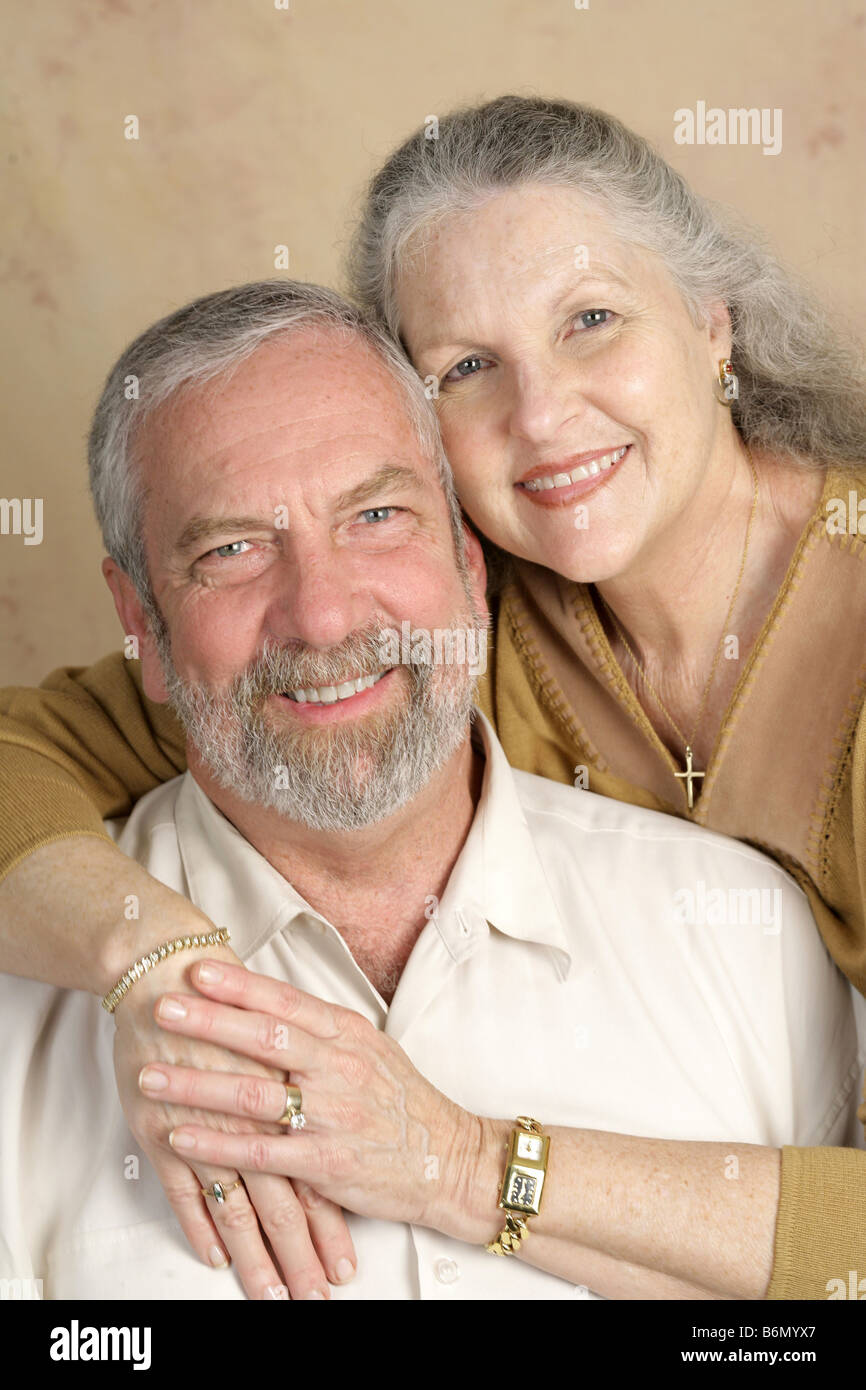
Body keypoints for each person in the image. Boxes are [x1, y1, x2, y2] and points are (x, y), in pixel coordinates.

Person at [1, 96, 866, 1295]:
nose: (541, 412)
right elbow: (26, 750)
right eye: (464, 365)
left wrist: (460, 1167)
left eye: (591, 320)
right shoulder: (448, 622)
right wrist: (154, 968)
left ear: (714, 323)